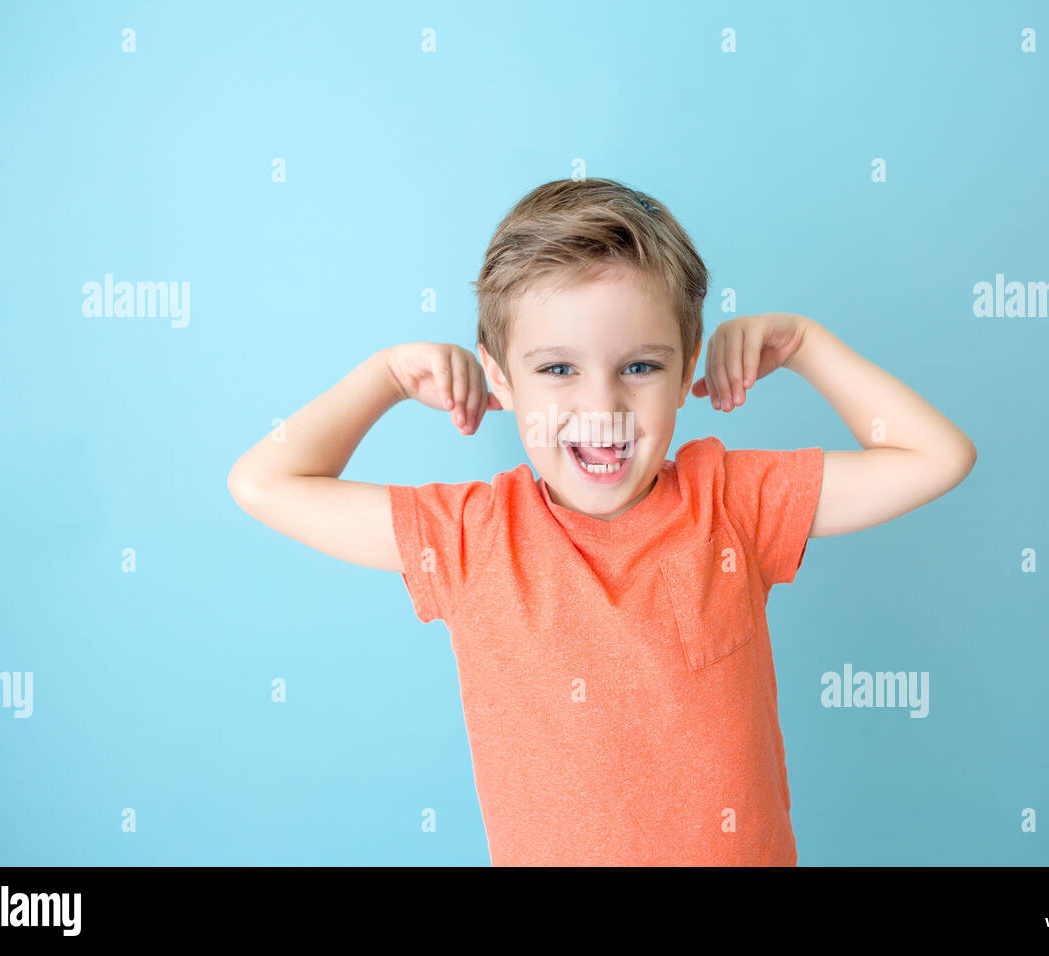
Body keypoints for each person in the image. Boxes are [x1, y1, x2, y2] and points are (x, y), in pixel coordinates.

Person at [227, 177, 977, 866]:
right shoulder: (470, 538)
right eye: (558, 369)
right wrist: (385, 378)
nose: (603, 408)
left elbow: (936, 456)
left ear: (688, 371)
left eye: (640, 367)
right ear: (500, 379)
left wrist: (806, 346)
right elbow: (265, 481)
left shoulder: (733, 503)